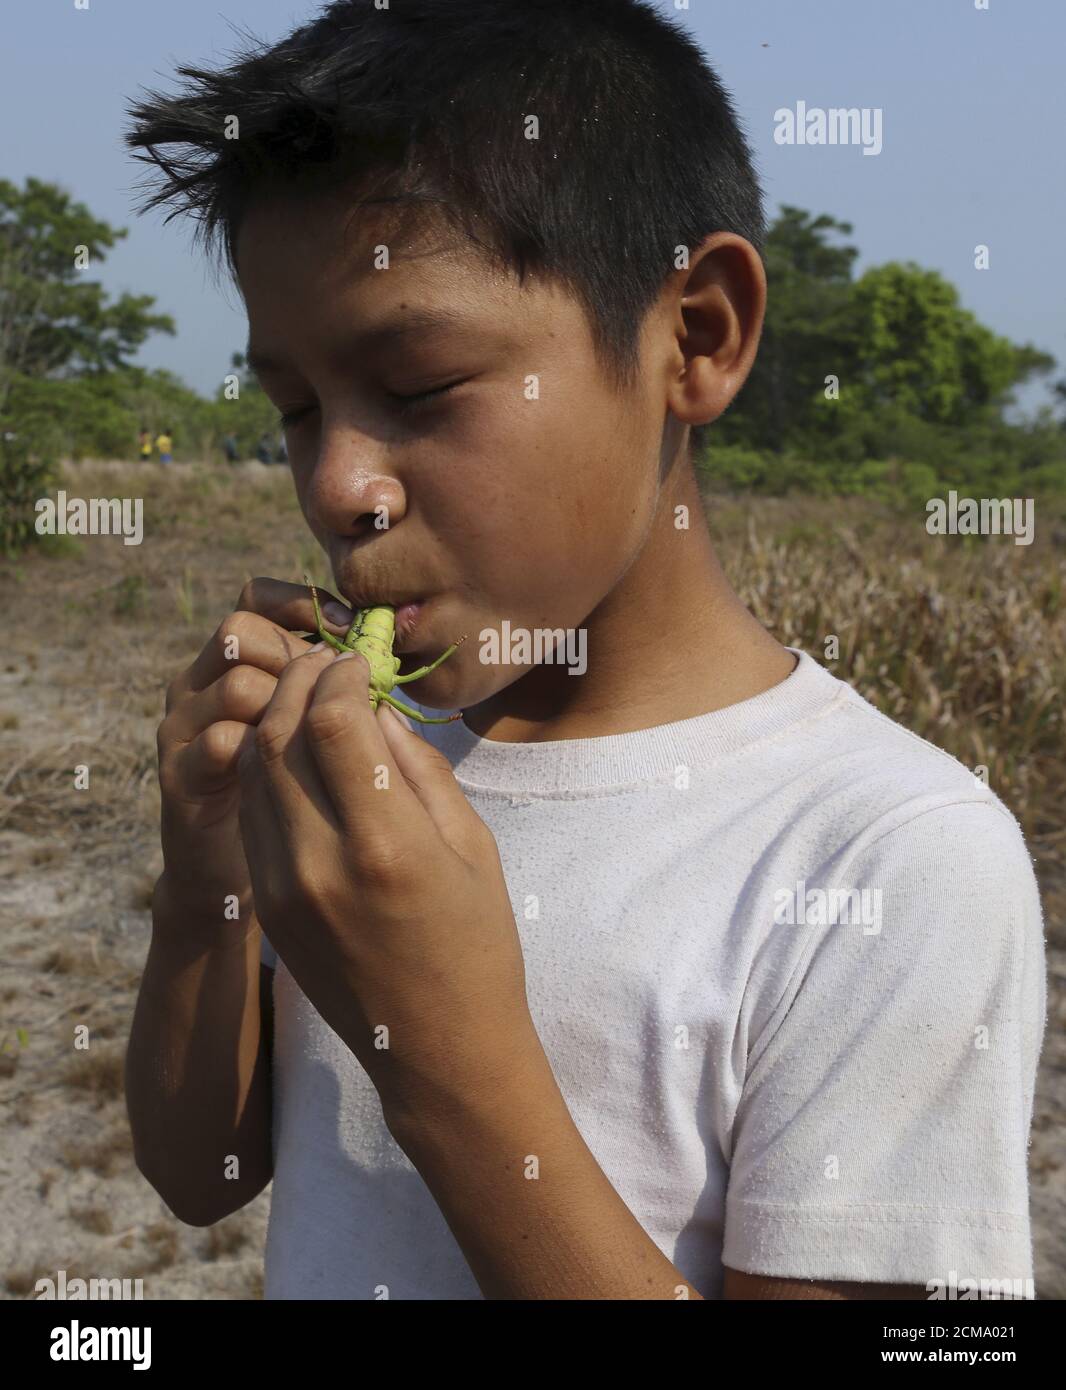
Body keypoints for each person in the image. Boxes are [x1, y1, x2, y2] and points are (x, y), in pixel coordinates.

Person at [124, 0, 1046, 1302]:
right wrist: (204, 872)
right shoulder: (373, 772)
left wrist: (446, 1054)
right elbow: (198, 1173)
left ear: (697, 336)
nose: (337, 482)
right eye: (293, 407)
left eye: (423, 384)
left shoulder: (888, 855)